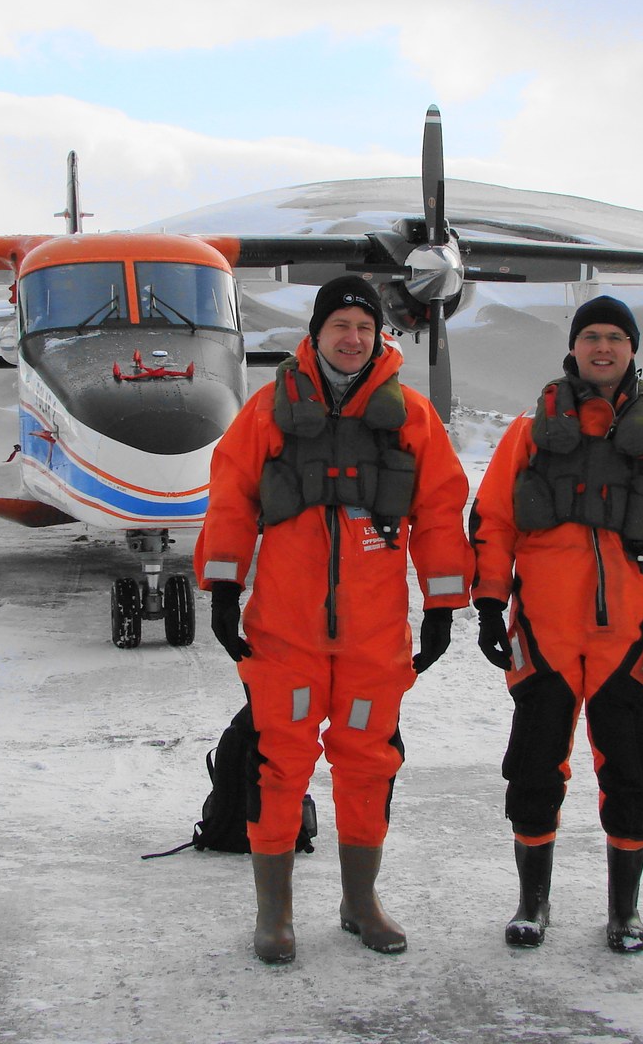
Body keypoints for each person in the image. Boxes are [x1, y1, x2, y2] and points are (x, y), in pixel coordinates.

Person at [194, 274, 473, 965]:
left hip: (374, 638)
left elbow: (440, 511)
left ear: (381, 337)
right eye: (339, 326)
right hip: (284, 632)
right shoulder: (267, 411)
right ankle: (275, 914)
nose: (352, 339)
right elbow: (231, 499)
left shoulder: (411, 417)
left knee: (367, 763)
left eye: (364, 327)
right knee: (279, 765)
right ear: (314, 335)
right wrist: (224, 587)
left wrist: (442, 604)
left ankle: (360, 901)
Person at [468, 295, 643, 952]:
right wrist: (490, 603)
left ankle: (625, 911)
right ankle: (532, 904)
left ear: (633, 350)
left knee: (631, 771)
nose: (602, 349)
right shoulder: (529, 430)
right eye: (591, 338)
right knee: (532, 770)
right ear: (573, 349)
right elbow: (491, 519)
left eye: (615, 338)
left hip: (627, 639)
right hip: (544, 632)